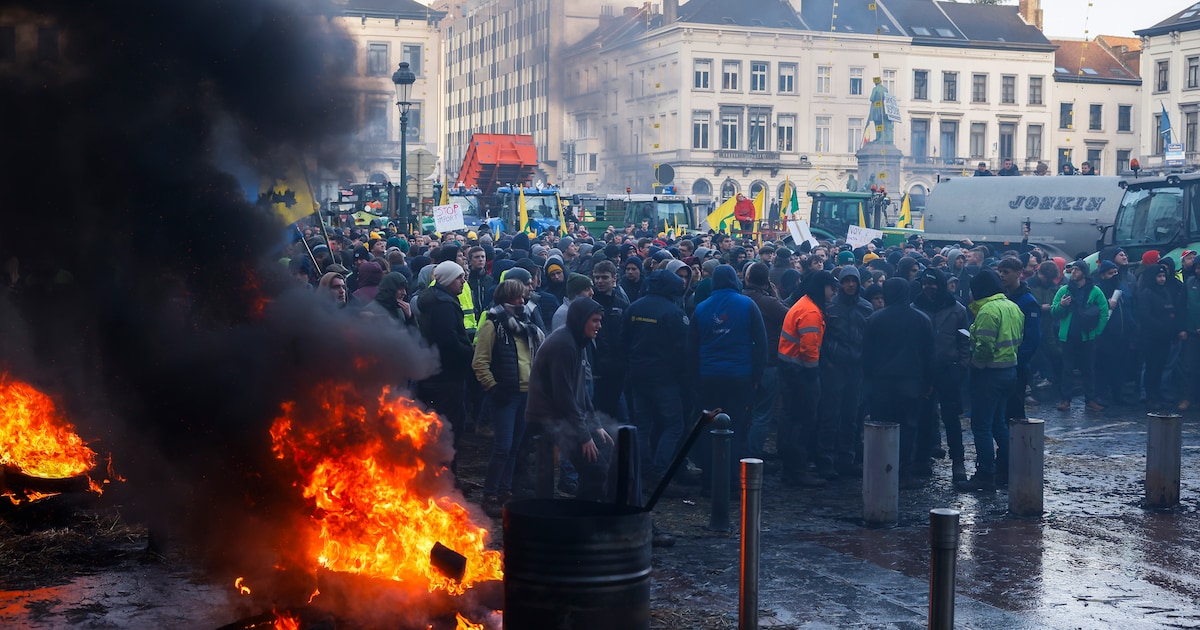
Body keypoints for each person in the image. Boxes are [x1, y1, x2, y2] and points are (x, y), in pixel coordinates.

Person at [688, 264, 767, 494]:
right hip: (740, 377)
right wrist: (756, 376)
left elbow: (691, 348)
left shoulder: (701, 308)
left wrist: (695, 380)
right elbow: (761, 344)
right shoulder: (747, 305)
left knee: (708, 429)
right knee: (737, 429)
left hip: (709, 378)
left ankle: (710, 482)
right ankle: (731, 482)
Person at [526, 297, 612, 501]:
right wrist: (584, 436)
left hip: (565, 416)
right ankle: (585, 522)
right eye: (594, 320)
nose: (599, 326)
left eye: (600, 320)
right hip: (547, 418)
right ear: (580, 320)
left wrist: (596, 425)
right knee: (596, 469)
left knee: (605, 455)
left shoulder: (578, 341)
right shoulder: (564, 345)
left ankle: (586, 517)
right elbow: (563, 396)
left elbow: (580, 391)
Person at [473, 279, 545, 517]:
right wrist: (493, 388)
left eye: (523, 297)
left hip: (526, 394)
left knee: (514, 447)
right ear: (506, 298)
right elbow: (480, 362)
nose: (522, 301)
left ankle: (504, 491)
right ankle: (490, 494)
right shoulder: (493, 325)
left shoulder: (527, 324)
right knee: (502, 447)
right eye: (517, 297)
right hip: (505, 396)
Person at [863, 278, 935, 484]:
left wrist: (868, 380)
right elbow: (929, 354)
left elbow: (867, 354)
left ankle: (880, 469)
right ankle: (903, 471)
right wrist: (928, 382)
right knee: (908, 427)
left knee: (881, 426)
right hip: (911, 383)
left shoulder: (875, 319)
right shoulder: (921, 319)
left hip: (881, 383)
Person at [956, 270, 1023, 492]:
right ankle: (1014, 467)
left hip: (990, 375)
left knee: (982, 426)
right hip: (1009, 371)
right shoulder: (1013, 307)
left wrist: (976, 365)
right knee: (998, 424)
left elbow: (984, 346)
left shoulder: (987, 311)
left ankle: (985, 474)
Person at [623, 269, 690, 491]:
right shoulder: (673, 312)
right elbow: (683, 349)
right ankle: (659, 473)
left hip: (638, 375)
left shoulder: (634, 307)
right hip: (665, 379)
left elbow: (624, 340)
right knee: (674, 426)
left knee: (642, 425)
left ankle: (644, 471)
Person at [778, 271, 840, 487]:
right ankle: (798, 469)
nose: (834, 293)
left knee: (790, 419)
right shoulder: (811, 312)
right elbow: (809, 348)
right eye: (832, 288)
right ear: (822, 288)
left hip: (789, 370)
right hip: (801, 374)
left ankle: (790, 467)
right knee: (804, 421)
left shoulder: (803, 303)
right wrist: (813, 373)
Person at [416, 261, 474, 476]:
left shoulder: (435, 299)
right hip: (448, 376)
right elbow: (448, 340)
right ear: (448, 279)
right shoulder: (444, 305)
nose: (463, 281)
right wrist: (469, 351)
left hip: (437, 373)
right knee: (450, 428)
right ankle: (447, 477)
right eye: (459, 277)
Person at [913, 268, 970, 483]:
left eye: (933, 284)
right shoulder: (915, 307)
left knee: (951, 419)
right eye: (925, 284)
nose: (929, 288)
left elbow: (965, 339)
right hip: (924, 373)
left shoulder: (958, 310)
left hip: (949, 371)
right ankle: (922, 459)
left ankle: (958, 462)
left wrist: (961, 366)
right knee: (924, 418)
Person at [819, 265, 872, 477]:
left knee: (852, 415)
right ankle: (825, 459)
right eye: (846, 281)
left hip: (856, 368)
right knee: (830, 415)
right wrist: (828, 361)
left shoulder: (866, 308)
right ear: (840, 283)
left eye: (854, 281)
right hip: (834, 367)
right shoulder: (830, 308)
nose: (850, 284)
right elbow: (822, 339)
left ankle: (846, 457)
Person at [1050, 260, 1109, 412]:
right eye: (1072, 270)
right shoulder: (1064, 290)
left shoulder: (1095, 291)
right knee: (1067, 369)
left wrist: (1097, 332)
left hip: (1087, 336)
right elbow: (1053, 310)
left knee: (1088, 369)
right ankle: (1065, 400)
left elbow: (1104, 312)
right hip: (1067, 336)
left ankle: (1090, 399)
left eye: (1076, 270)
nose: (1073, 273)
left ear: (1083, 272)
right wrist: (1062, 305)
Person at [997, 257, 1042, 418]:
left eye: (1006, 272)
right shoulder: (1001, 297)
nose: (1002, 275)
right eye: (1000, 271)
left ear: (1018, 274)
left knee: (1014, 411)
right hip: (1001, 365)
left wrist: (1018, 361)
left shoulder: (1028, 302)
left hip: (1017, 366)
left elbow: (1033, 338)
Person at [1137, 264, 1186, 410]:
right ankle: (1150, 396)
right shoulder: (1146, 293)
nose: (1162, 279)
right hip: (1152, 338)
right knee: (1152, 368)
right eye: (1159, 276)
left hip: (1165, 338)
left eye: (1163, 276)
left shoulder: (1164, 292)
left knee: (1160, 368)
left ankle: (1157, 394)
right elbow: (1145, 316)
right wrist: (1163, 326)